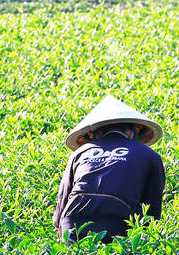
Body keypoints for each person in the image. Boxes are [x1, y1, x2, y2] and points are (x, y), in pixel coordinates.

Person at [55, 96, 165, 242]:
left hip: (74, 223)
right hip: (119, 224)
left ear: (96, 132)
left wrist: (59, 225)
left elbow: (63, 197)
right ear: (132, 131)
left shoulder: (80, 153)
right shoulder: (149, 155)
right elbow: (152, 208)